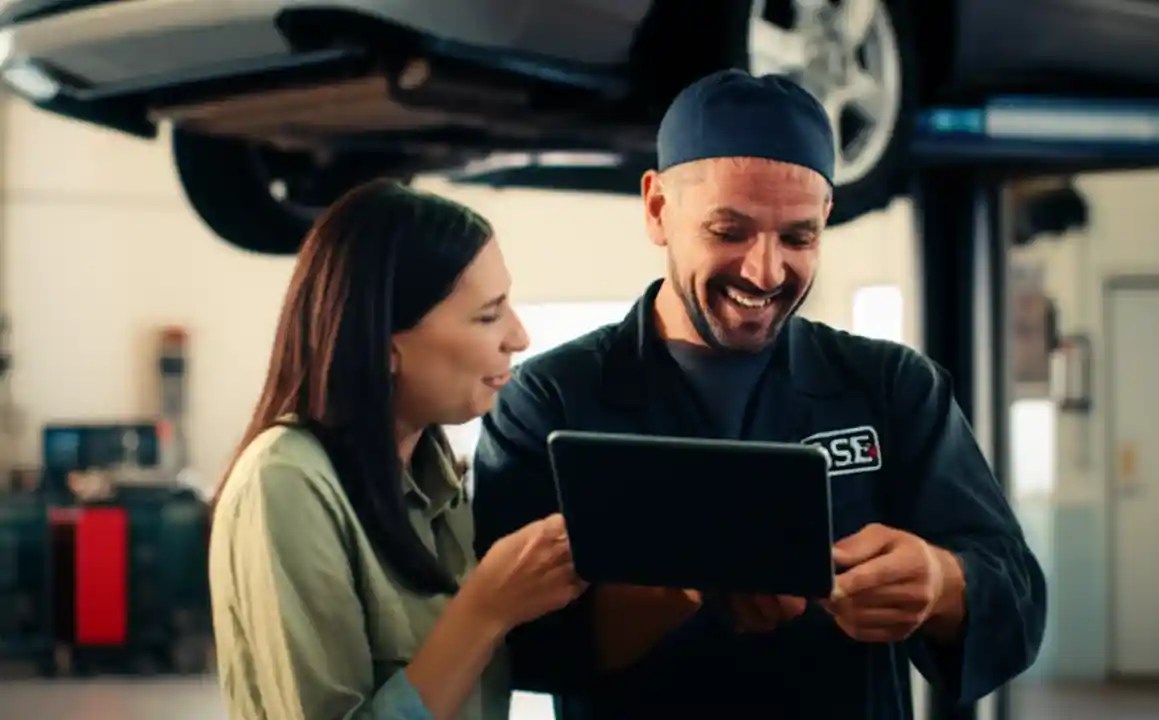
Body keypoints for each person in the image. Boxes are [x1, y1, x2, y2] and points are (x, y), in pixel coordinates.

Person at [470, 69, 1048, 718]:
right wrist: (679, 585)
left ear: (826, 217)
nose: (764, 270)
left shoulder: (890, 388)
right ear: (658, 209)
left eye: (798, 237)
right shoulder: (551, 401)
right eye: (729, 231)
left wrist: (941, 582)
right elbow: (503, 639)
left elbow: (1018, 599)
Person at [207, 179, 587, 720]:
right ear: (386, 345)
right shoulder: (286, 480)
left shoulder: (437, 482)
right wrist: (485, 610)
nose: (519, 337)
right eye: (488, 315)